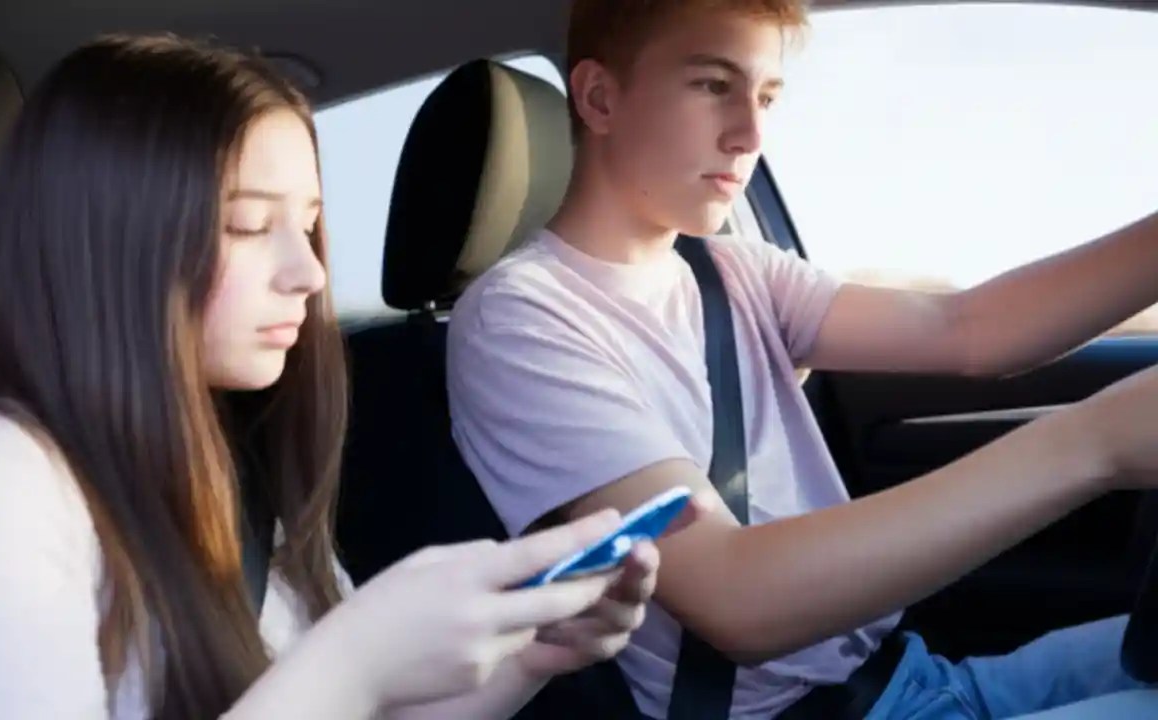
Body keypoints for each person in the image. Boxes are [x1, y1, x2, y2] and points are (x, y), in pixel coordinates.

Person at [0, 33, 671, 720]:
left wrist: (531, 655)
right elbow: (340, 688)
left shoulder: (231, 468)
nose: (309, 272)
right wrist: (355, 658)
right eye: (250, 225)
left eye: (310, 223)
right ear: (109, 244)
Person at [444, 0, 1158, 718]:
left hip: (913, 683)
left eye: (766, 97)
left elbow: (967, 329)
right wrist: (1093, 443)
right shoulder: (522, 318)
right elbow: (735, 596)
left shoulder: (731, 271)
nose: (750, 135)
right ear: (600, 98)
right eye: (713, 85)